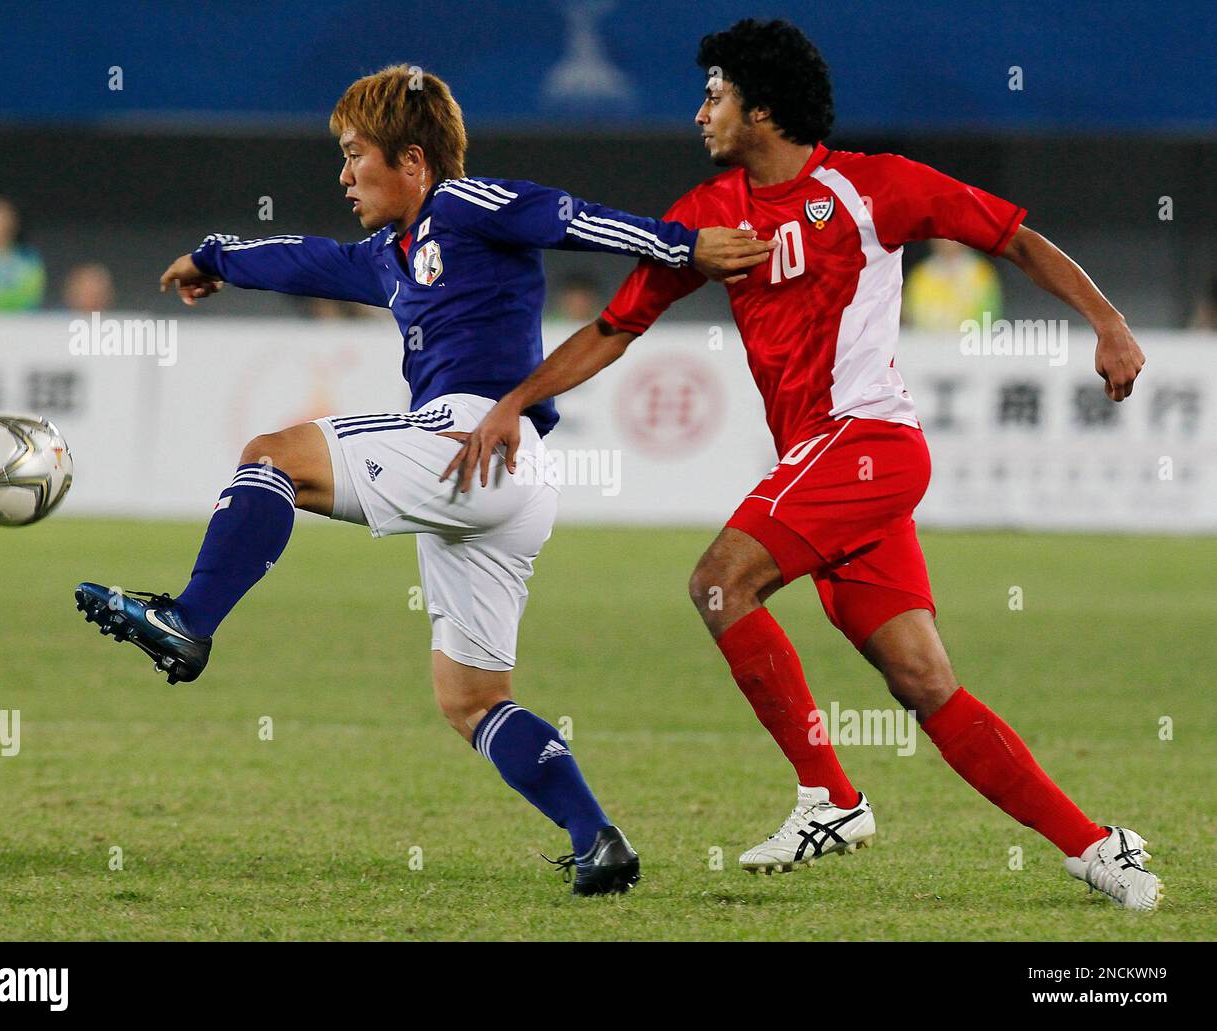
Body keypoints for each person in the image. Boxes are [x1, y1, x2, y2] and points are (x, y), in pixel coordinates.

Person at [444, 19, 1160, 910]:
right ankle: (1096, 846)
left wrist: (1108, 321)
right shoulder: (706, 215)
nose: (700, 110)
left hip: (867, 440)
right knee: (924, 681)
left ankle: (829, 793)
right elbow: (615, 327)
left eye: (715, 93)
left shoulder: (873, 187)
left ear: (763, 108)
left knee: (718, 582)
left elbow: (1013, 236)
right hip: (827, 464)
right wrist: (516, 401)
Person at [72, 64, 770, 896]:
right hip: (505, 485)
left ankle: (189, 617)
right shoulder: (394, 253)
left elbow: (570, 218)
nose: (342, 174)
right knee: (471, 699)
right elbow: (313, 261)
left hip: (470, 441)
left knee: (272, 454)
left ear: (411, 160)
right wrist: (214, 259)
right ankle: (598, 838)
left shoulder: (465, 206)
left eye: (353, 153)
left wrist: (685, 244)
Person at [903, 238, 1002, 330]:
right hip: (928, 344)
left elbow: (991, 315)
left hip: (970, 342)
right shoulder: (920, 275)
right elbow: (909, 316)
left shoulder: (982, 274)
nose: (947, 242)